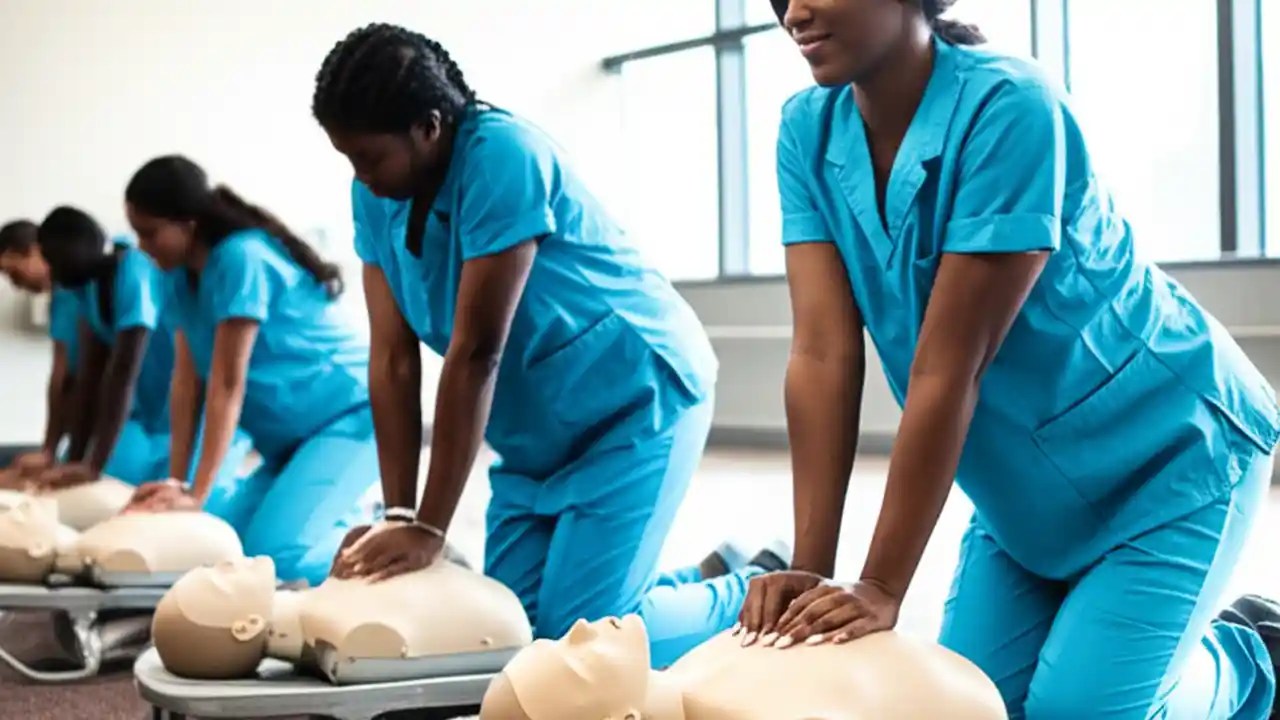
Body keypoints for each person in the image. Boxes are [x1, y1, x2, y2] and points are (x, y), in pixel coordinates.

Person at [737, 1, 1280, 718]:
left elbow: (948, 365)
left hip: (1171, 457)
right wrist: (811, 565)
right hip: (1022, 493)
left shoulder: (1013, 106)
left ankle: (1249, 658)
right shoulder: (806, 128)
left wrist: (882, 585)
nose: (795, 12)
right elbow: (823, 354)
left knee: (1077, 712)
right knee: (966, 706)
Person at [310, 22, 780, 668]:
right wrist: (398, 512)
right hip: (536, 438)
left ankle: (765, 587)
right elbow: (393, 360)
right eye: (348, 160)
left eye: (368, 157)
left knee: (572, 646)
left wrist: (431, 527)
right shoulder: (376, 197)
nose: (360, 177)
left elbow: (476, 352)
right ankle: (716, 570)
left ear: (429, 126)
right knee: (504, 632)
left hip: (636, 402)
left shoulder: (504, 157)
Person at [121, 155, 379, 587]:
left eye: (150, 233)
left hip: (351, 417)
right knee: (227, 546)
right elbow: (187, 383)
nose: (143, 248)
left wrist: (198, 493)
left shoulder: (241, 259)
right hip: (291, 441)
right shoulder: (177, 278)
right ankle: (341, 522)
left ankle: (393, 553)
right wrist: (178, 484)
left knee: (280, 558)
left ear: (187, 223)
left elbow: (226, 383)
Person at [33, 206, 241, 488]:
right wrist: (75, 460)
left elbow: (122, 373)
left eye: (51, 258)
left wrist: (93, 466)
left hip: (195, 417)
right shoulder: (86, 289)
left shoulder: (134, 270)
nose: (50, 271)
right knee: (109, 495)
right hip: (147, 421)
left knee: (186, 510)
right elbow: (89, 378)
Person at [0, 219, 78, 473]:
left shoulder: (78, 290)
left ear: (33, 250)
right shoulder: (60, 301)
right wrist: (49, 450)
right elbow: (61, 377)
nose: (15, 285)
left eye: (13, 273)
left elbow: (64, 377)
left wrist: (49, 451)